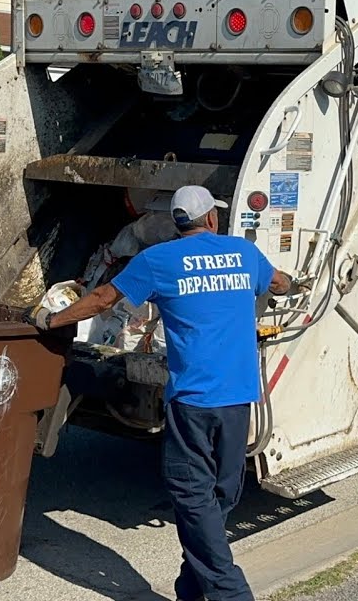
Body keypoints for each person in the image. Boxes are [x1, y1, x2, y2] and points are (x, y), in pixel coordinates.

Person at [30, 185, 299, 601]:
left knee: (200, 500)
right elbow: (278, 283)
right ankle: (220, 591)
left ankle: (202, 586)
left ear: (177, 224)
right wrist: (289, 283)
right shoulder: (244, 256)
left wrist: (54, 319)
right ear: (211, 218)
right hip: (236, 400)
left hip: (192, 402)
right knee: (215, 496)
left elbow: (102, 298)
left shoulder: (157, 261)